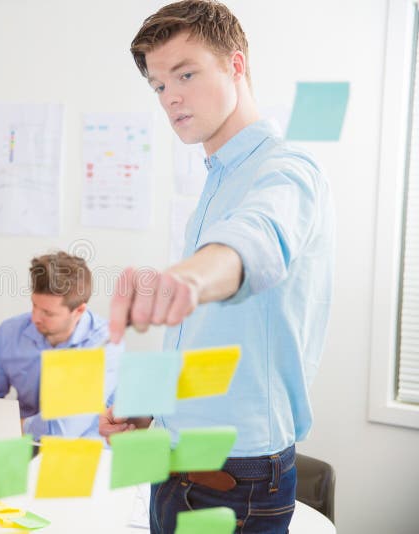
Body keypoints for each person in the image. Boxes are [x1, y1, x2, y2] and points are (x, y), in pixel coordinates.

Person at [100, 1, 335, 532]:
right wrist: (150, 404)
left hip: (235, 476)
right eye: (159, 85)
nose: (170, 96)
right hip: (176, 458)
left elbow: (254, 242)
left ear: (235, 65)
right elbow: (209, 335)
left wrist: (185, 279)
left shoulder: (286, 170)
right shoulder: (217, 180)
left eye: (185, 74)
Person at [0, 251, 119, 440]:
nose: (35, 318)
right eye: (34, 306)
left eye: (48, 313)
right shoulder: (10, 332)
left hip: (83, 448)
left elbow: (65, 428)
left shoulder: (104, 343)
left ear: (78, 310)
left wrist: (11, 427)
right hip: (22, 443)